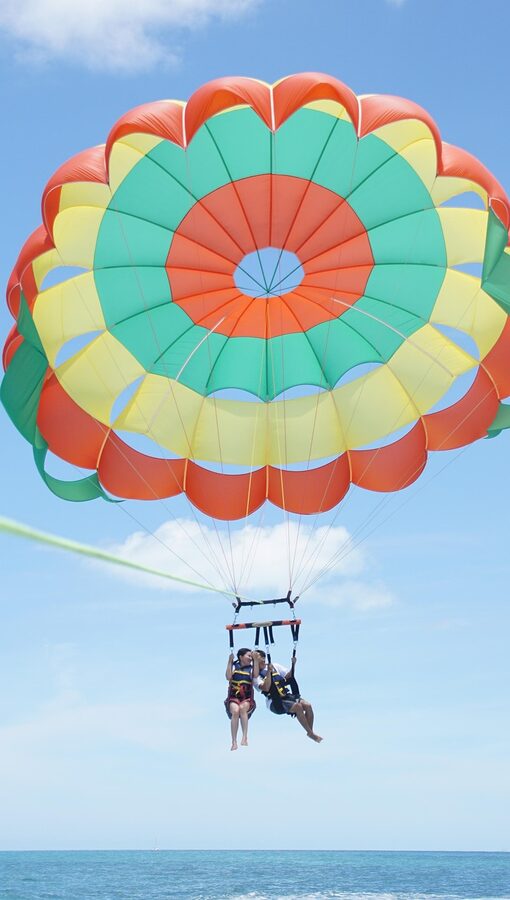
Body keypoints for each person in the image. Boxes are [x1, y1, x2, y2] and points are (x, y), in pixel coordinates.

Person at [253, 650, 322, 743]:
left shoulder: (275, 666)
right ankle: (310, 733)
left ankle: (310, 732)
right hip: (274, 702)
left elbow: (289, 676)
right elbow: (265, 687)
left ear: (262, 658)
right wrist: (269, 672)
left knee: (307, 705)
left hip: (286, 696)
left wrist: (293, 664)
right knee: (298, 707)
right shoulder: (255, 676)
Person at [225, 648, 259, 751]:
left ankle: (244, 737)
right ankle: (234, 741)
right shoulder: (234, 666)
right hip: (233, 697)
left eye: (250, 656)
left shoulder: (252, 668)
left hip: (247, 698)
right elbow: (228, 677)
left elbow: (256, 675)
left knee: (242, 709)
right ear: (240, 657)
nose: (250, 658)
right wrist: (229, 662)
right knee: (235, 711)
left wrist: (256, 659)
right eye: (248, 656)